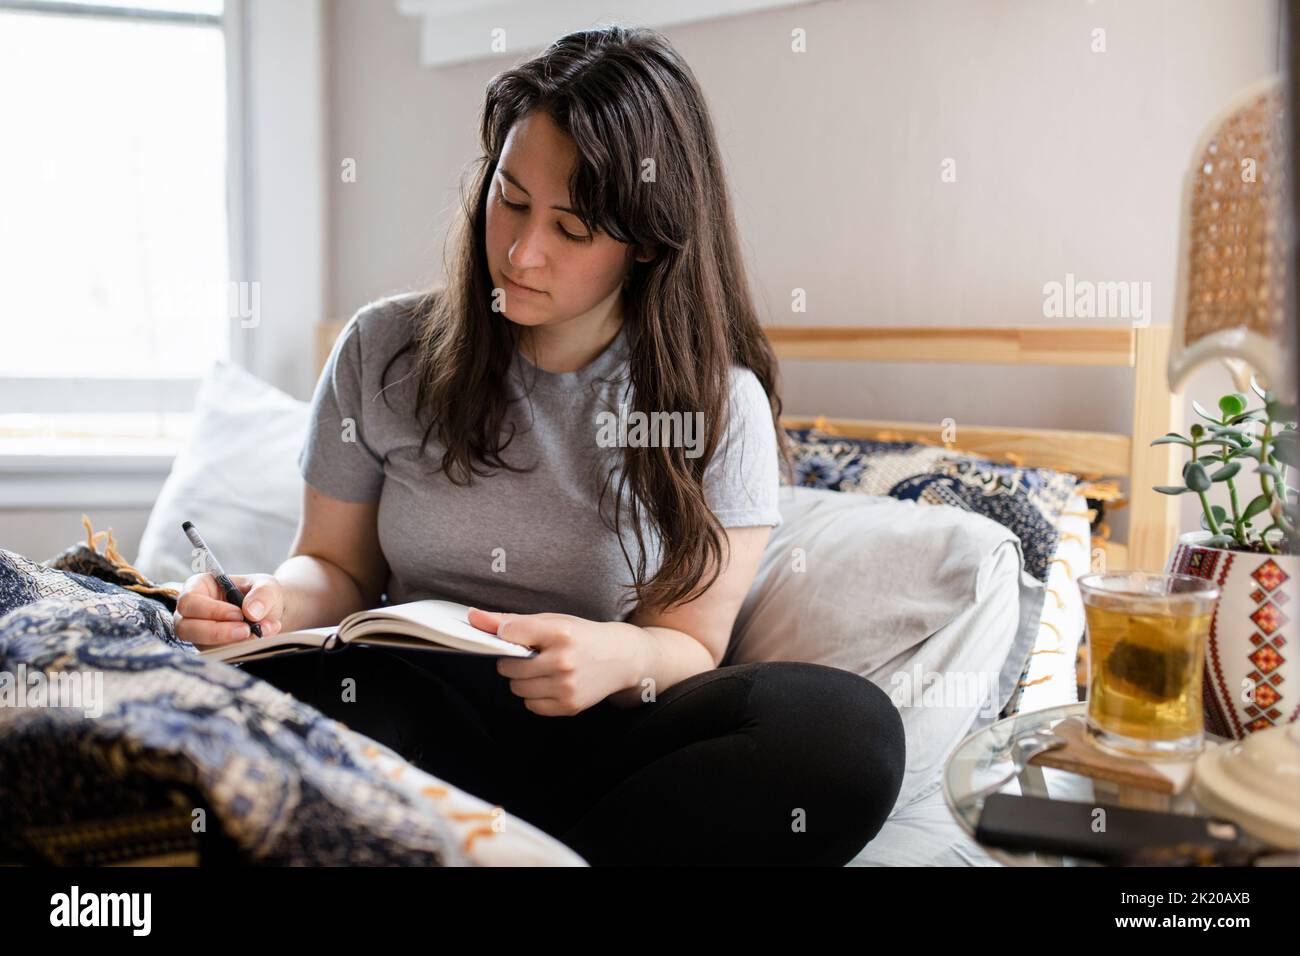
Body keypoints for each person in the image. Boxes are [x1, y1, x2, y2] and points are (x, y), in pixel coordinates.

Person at [172, 25, 904, 866]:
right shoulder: (384, 349)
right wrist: (267, 604)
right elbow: (335, 569)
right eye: (511, 200)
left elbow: (693, 645)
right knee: (289, 698)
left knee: (846, 732)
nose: (521, 252)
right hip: (413, 715)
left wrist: (617, 654)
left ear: (647, 240)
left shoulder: (718, 405)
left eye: (572, 227)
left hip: (607, 747)